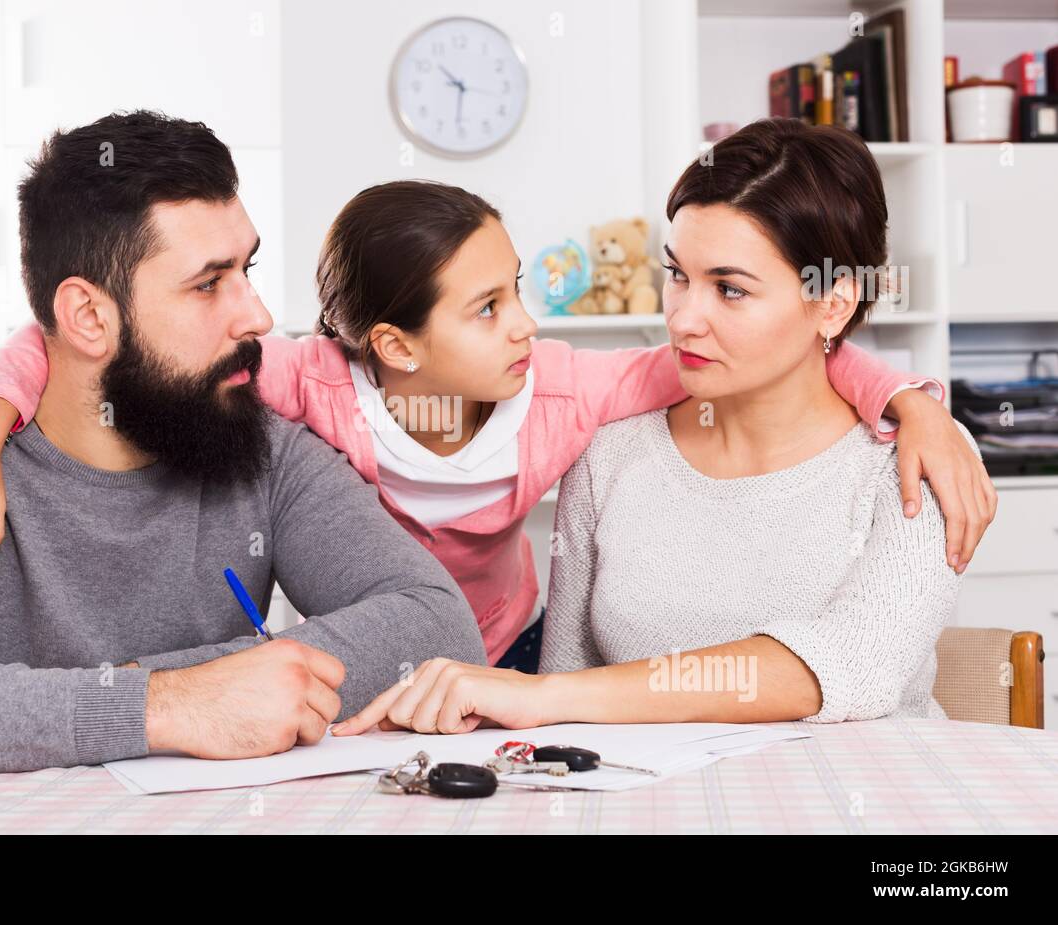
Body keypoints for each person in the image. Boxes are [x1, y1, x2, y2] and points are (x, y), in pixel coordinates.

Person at [0, 179, 989, 676]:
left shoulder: (563, 390)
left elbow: (759, 351)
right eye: (487, 307)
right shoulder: (309, 383)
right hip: (371, 643)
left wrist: (906, 402)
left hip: (508, 646)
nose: (527, 326)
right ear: (393, 345)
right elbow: (98, 340)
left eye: (517, 290)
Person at [0, 110, 485, 781]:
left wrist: (160, 690)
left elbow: (437, 624)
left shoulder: (262, 447)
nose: (257, 316)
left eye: (247, 270)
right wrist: (160, 704)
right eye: (208, 285)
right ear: (87, 316)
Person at [329, 119, 989, 736]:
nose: (683, 318)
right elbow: (568, 672)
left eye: (729, 288)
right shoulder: (612, 452)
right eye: (677, 274)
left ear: (833, 303)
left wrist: (540, 696)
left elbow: (857, 662)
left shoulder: (916, 461)